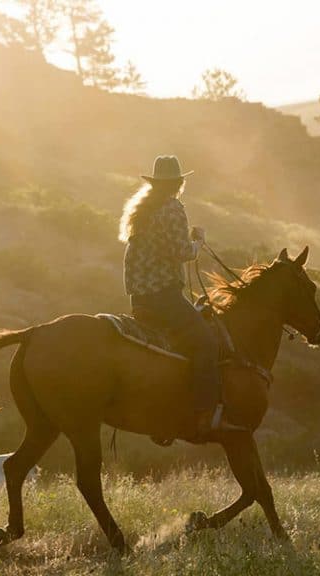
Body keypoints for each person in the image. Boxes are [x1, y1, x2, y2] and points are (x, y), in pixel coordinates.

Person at [119, 155, 244, 438]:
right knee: (207, 345)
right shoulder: (172, 208)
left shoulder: (144, 210)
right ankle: (205, 416)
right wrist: (198, 240)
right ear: (178, 183)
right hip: (162, 294)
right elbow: (183, 253)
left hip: (140, 298)